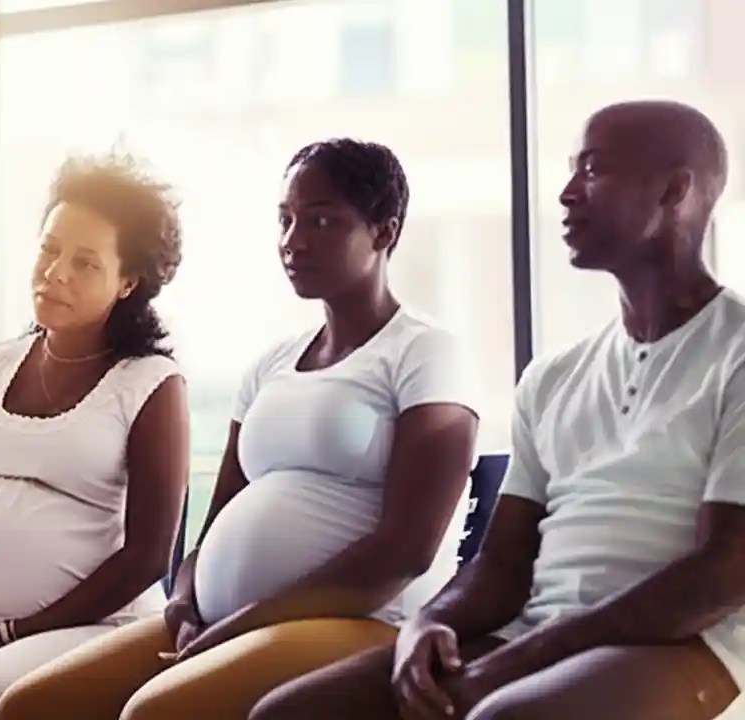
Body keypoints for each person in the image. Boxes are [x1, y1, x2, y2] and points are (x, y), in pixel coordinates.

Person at [251, 101, 745, 720]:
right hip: (539, 633)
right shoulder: (554, 376)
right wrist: (428, 624)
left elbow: (725, 571)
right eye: (571, 169)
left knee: (500, 716)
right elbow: (504, 563)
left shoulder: (735, 351)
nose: (566, 193)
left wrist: (529, 655)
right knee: (289, 713)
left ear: (674, 190)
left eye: (593, 170)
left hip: (690, 643)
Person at [0, 139, 480, 720]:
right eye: (286, 219)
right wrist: (182, 601)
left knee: (156, 714)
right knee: (30, 707)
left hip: (361, 621)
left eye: (322, 221)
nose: (294, 239)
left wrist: (248, 621)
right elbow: (217, 519)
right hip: (227, 620)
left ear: (384, 231)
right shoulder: (273, 364)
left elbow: (406, 550)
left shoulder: (426, 353)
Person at [0, 151, 190, 720]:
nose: (56, 272)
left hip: (94, 627)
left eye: (85, 262)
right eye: (49, 249)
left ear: (128, 282)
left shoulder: (149, 383)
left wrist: (17, 630)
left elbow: (148, 555)